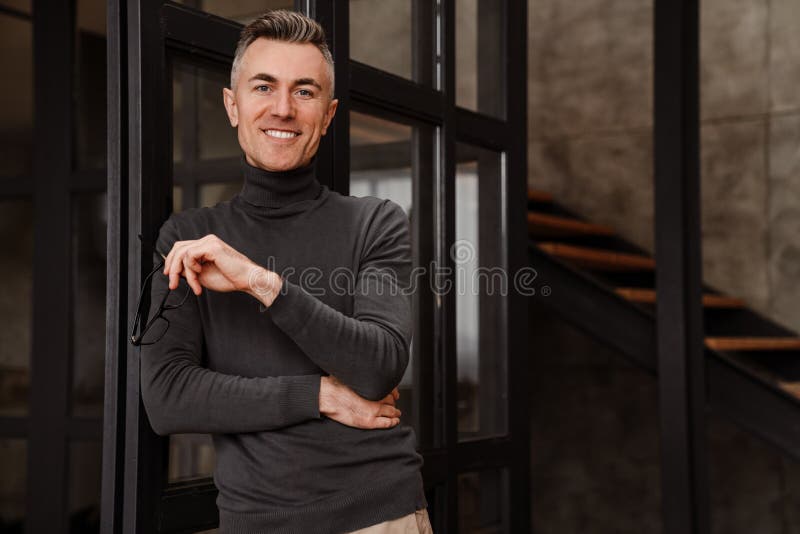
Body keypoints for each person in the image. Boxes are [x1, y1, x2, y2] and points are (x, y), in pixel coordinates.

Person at [138, 9, 433, 534]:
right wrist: (318, 395)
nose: (282, 108)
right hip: (254, 520)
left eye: (304, 91)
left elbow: (379, 365)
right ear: (233, 105)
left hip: (380, 517)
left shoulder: (376, 222)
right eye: (263, 87)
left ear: (328, 112)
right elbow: (167, 397)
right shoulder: (187, 239)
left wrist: (261, 281)